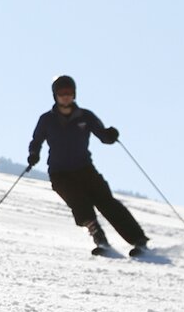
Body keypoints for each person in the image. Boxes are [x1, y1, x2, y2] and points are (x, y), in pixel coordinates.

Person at [27, 75, 149, 257]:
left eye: (68, 92)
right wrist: (33, 154)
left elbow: (103, 135)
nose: (65, 96)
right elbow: (36, 140)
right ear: (55, 95)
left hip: (84, 168)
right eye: (61, 93)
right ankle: (99, 238)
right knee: (79, 203)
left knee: (106, 201)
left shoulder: (85, 116)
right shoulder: (47, 119)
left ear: (74, 94)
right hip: (60, 173)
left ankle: (138, 239)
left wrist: (110, 135)